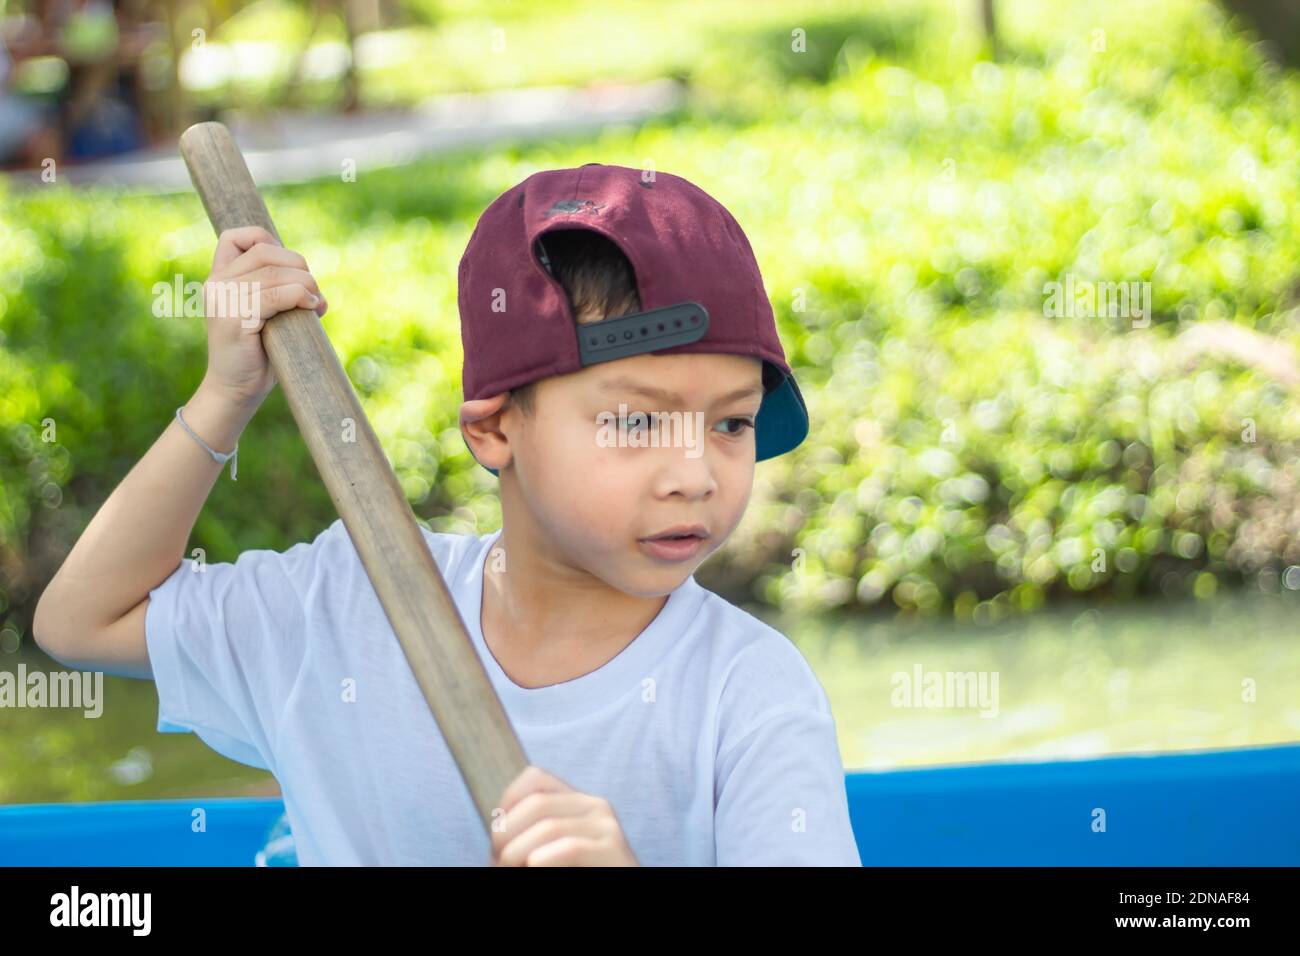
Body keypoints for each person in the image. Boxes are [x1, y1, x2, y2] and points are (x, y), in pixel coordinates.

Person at [34, 163, 863, 867]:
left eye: (732, 424)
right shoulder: (348, 604)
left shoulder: (747, 693)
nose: (695, 475)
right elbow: (81, 623)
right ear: (495, 428)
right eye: (636, 421)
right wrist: (226, 395)